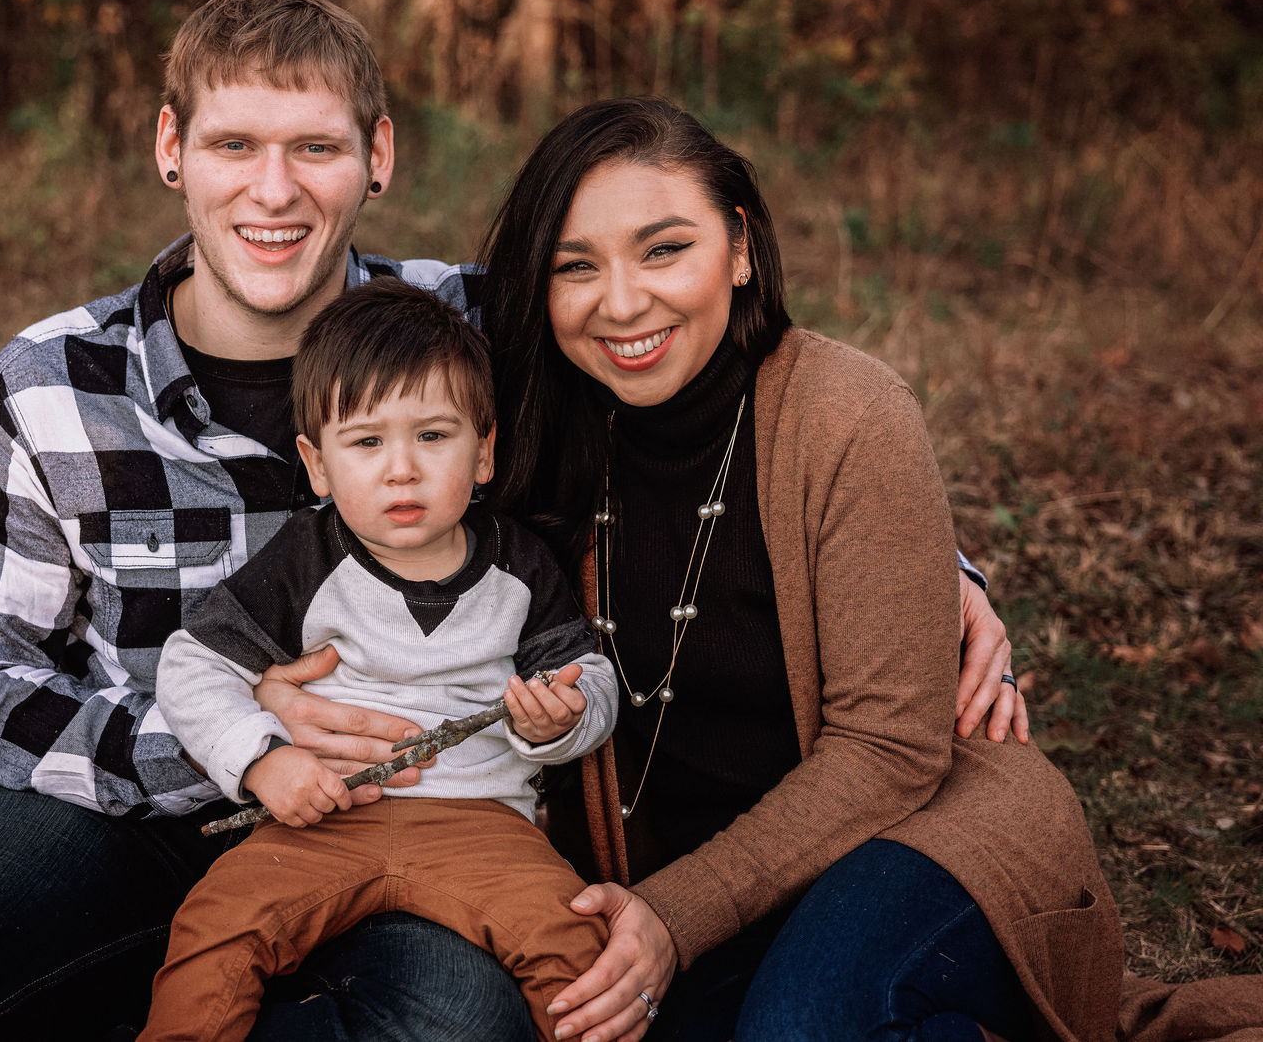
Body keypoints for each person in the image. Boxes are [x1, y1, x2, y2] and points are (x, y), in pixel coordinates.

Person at [0, 0, 1026, 1042]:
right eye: (233, 144)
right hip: (115, 810)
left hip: (424, 818)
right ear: (172, 149)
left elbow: (688, 395)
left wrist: (935, 575)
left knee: (453, 1025)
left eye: (316, 147)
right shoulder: (45, 391)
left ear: (376, 155)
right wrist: (227, 744)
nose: (273, 193)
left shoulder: (470, 325)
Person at [475, 95, 1263, 1042]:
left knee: (802, 1026)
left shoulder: (847, 410)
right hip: (723, 898)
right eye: (575, 266)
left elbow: (890, 749)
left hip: (919, 827)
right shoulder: (528, 437)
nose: (622, 301)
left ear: (740, 247)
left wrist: (675, 915)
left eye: (663, 249)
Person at [138, 278, 617, 1042]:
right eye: (366, 442)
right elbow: (194, 662)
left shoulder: (519, 565)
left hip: (484, 823)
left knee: (577, 948)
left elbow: (587, 675)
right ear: (318, 464)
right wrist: (261, 762)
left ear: (485, 450)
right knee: (217, 927)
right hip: (329, 814)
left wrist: (560, 718)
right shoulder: (306, 557)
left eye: (433, 436)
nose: (401, 469)